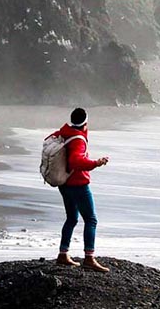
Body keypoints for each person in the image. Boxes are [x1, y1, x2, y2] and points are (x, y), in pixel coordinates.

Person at [51, 107, 110, 272]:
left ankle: (63, 254)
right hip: (78, 184)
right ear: (85, 123)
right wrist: (96, 163)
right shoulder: (78, 139)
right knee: (91, 220)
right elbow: (76, 161)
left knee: (71, 218)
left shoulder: (63, 133)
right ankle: (89, 258)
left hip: (64, 183)